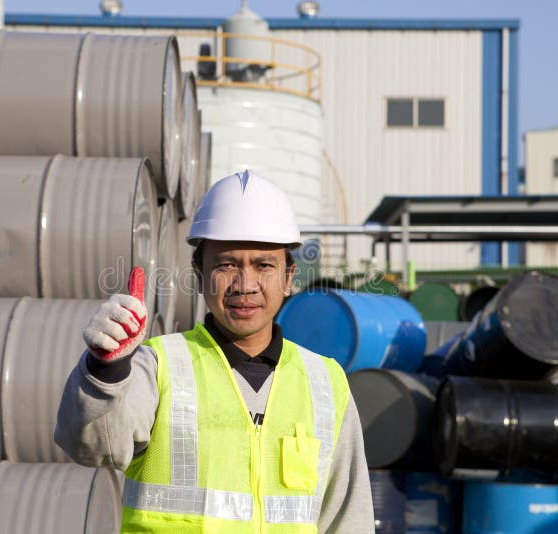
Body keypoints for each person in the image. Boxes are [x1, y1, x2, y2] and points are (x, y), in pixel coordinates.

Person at [55, 170, 374, 533]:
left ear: (289, 278)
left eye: (264, 265)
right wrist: (104, 370)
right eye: (226, 265)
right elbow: (91, 445)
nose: (245, 284)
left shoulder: (325, 384)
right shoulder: (157, 367)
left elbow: (349, 521)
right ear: (199, 274)